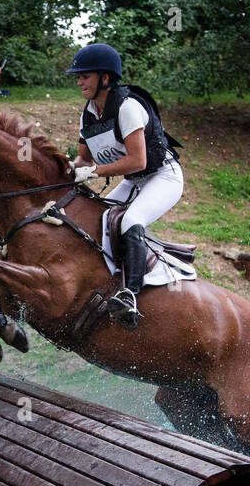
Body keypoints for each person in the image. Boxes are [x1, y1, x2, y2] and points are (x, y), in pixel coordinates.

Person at [67, 43, 184, 328]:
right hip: (134, 181)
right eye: (78, 76)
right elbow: (83, 159)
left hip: (163, 176)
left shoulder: (127, 107)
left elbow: (138, 160)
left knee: (131, 220)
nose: (79, 81)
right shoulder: (89, 114)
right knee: (100, 218)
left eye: (85, 76)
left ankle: (131, 294)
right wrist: (62, 169)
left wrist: (93, 172)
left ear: (105, 78)